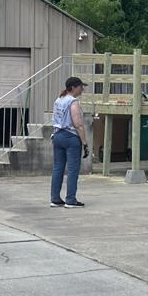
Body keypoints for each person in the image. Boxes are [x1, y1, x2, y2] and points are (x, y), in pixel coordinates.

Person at [50, 76, 89, 208]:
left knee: (58, 167)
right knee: (72, 170)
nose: (82, 89)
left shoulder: (59, 100)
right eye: (80, 87)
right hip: (70, 137)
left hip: (57, 135)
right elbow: (78, 124)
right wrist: (84, 143)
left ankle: (55, 198)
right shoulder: (73, 102)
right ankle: (70, 200)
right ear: (73, 88)